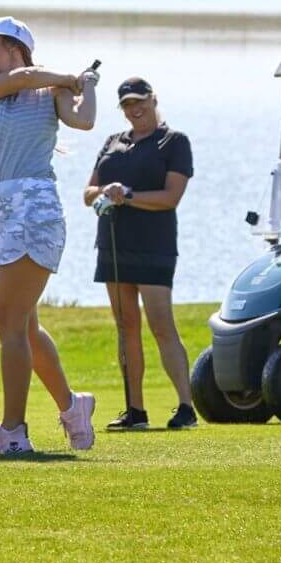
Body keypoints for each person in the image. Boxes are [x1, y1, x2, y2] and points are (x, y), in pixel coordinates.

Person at [0, 16, 100, 455]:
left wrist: (87, 85)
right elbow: (25, 77)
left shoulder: (51, 92)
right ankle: (73, 405)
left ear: (17, 47)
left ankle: (14, 430)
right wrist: (69, 77)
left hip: (35, 206)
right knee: (23, 324)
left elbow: (84, 120)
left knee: (9, 322)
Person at [84, 77, 197, 432]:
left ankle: (185, 407)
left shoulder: (173, 142)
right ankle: (136, 410)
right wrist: (108, 190)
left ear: (153, 100)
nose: (135, 110)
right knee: (126, 327)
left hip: (155, 244)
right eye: (128, 105)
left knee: (162, 325)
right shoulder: (112, 142)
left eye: (140, 103)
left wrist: (129, 195)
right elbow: (88, 193)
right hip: (114, 244)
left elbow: (170, 197)